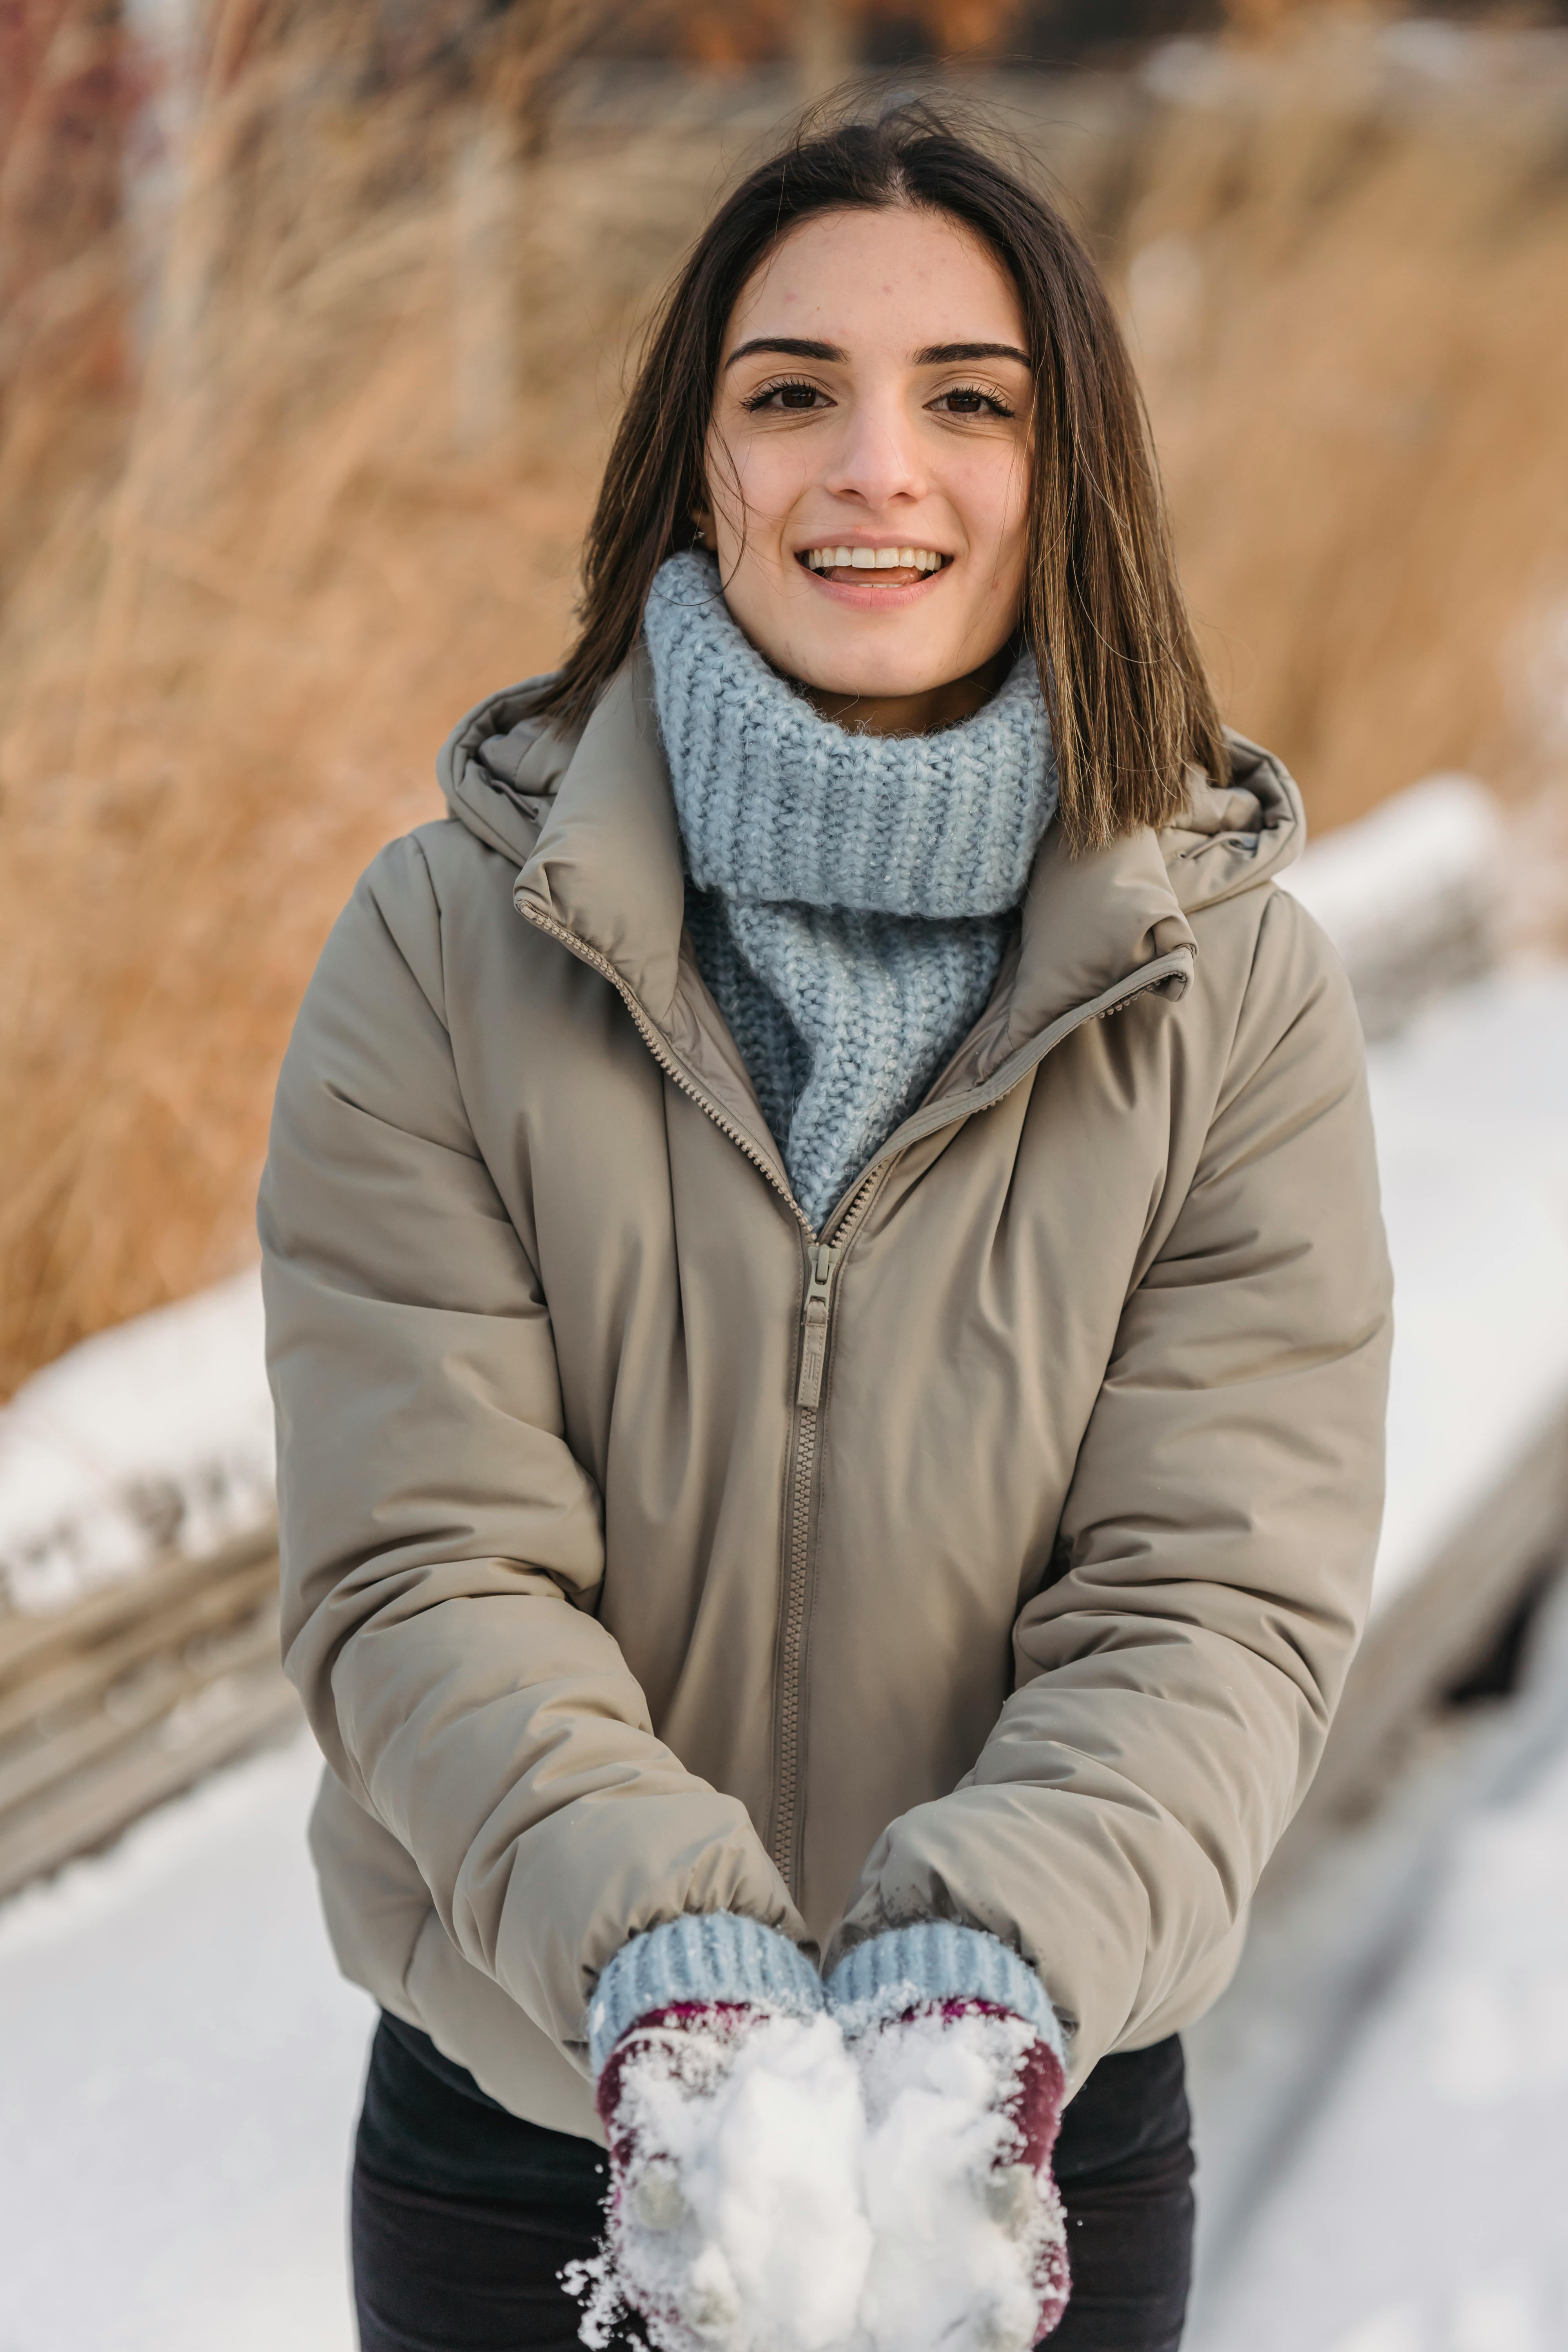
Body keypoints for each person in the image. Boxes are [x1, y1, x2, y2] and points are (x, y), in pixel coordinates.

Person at [260, 95, 1391, 2352]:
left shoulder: (1230, 989)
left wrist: (989, 1974)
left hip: (1024, 2123)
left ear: (1061, 478)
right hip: (531, 2140)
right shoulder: (443, 948)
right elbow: (422, 1563)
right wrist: (658, 1969)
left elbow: (1219, 1594)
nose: (878, 465)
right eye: (794, 395)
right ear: (703, 465)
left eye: (969, 401)